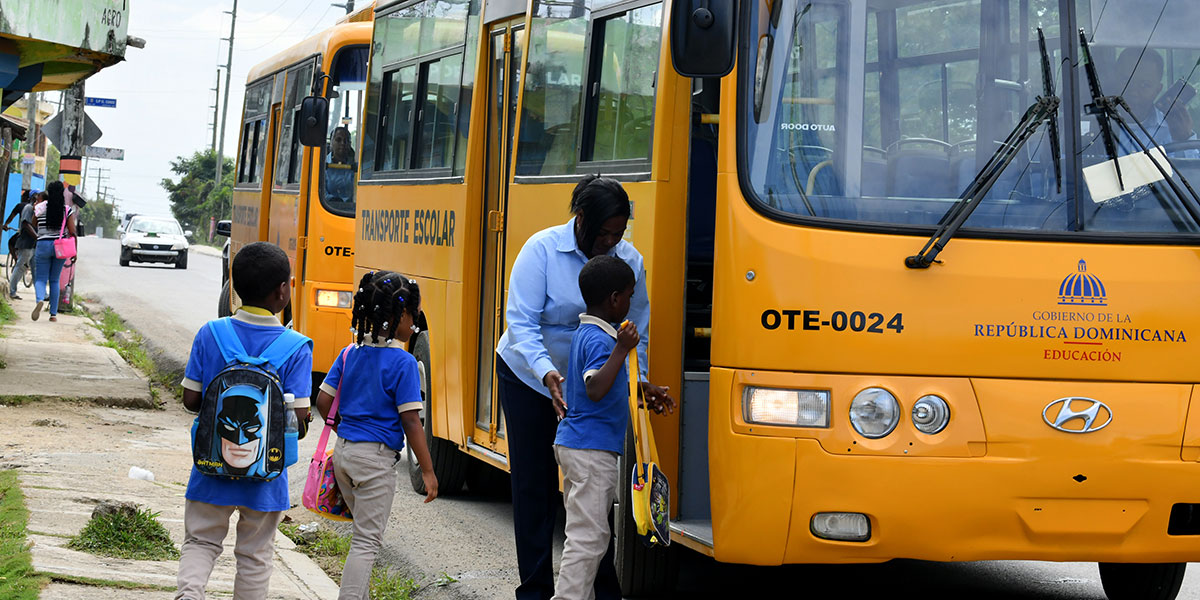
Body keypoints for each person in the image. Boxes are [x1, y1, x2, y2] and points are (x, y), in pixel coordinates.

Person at [494, 175, 673, 600]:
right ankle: (536, 590)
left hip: (588, 390)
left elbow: (636, 334)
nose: (610, 241)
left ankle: (598, 589)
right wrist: (547, 374)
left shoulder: (627, 260)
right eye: (603, 232)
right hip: (530, 379)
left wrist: (638, 385)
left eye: (618, 232)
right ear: (581, 220)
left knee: (590, 508)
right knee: (535, 488)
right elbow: (520, 322)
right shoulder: (542, 249)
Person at [176, 242, 313, 600]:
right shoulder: (296, 345)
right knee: (255, 555)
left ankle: (189, 595)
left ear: (234, 286)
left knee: (201, 541)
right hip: (266, 475)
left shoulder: (211, 332)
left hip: (210, 466)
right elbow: (297, 418)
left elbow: (191, 399)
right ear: (283, 290)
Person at [552, 256, 671, 600]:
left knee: (586, 533)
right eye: (630, 296)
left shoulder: (588, 333)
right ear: (615, 299)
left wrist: (643, 389)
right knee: (588, 538)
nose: (631, 303)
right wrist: (622, 347)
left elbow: (607, 384)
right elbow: (595, 388)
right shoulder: (602, 340)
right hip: (591, 451)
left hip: (579, 445)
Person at [314, 270, 438, 599]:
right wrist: (427, 470)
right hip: (375, 462)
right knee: (367, 542)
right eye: (412, 314)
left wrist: (347, 429)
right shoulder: (404, 362)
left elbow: (323, 401)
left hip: (343, 455)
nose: (413, 321)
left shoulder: (347, 354)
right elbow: (412, 422)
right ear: (398, 315)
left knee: (362, 534)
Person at [1110, 48, 1198, 158]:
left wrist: (1183, 137)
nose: (1133, 91)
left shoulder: (1173, 127)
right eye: (1125, 81)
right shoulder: (1095, 125)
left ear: (1158, 90)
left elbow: (1192, 172)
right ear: (1114, 81)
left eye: (1145, 85)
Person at [31, 182, 76, 322]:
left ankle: (39, 299)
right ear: (62, 193)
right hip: (60, 247)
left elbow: (33, 224)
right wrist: (75, 252)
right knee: (55, 279)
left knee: (40, 278)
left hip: (43, 244)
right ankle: (53, 314)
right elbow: (73, 232)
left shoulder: (40, 207)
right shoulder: (67, 210)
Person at [7, 189, 37, 300]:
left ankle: (41, 294)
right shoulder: (27, 208)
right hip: (26, 240)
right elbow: (24, 223)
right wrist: (6, 224)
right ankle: (12, 291)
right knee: (20, 265)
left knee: (35, 268)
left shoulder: (39, 209)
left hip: (34, 243)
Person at [324, 126, 357, 203]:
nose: (342, 143)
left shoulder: (356, 166)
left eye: (346, 140)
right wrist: (333, 199)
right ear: (331, 142)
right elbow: (320, 191)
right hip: (328, 208)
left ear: (349, 144)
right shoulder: (322, 165)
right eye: (338, 140)